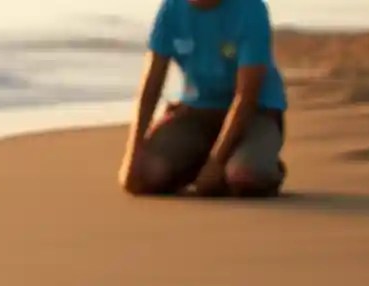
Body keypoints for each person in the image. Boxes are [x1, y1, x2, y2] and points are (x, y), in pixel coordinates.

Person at [118, 0, 289, 197]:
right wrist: (132, 154)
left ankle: (261, 164)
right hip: (197, 113)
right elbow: (151, 85)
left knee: (243, 176)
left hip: (255, 113)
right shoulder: (171, 8)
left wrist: (216, 161)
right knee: (144, 176)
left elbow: (246, 95)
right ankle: (199, 162)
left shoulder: (250, 9)